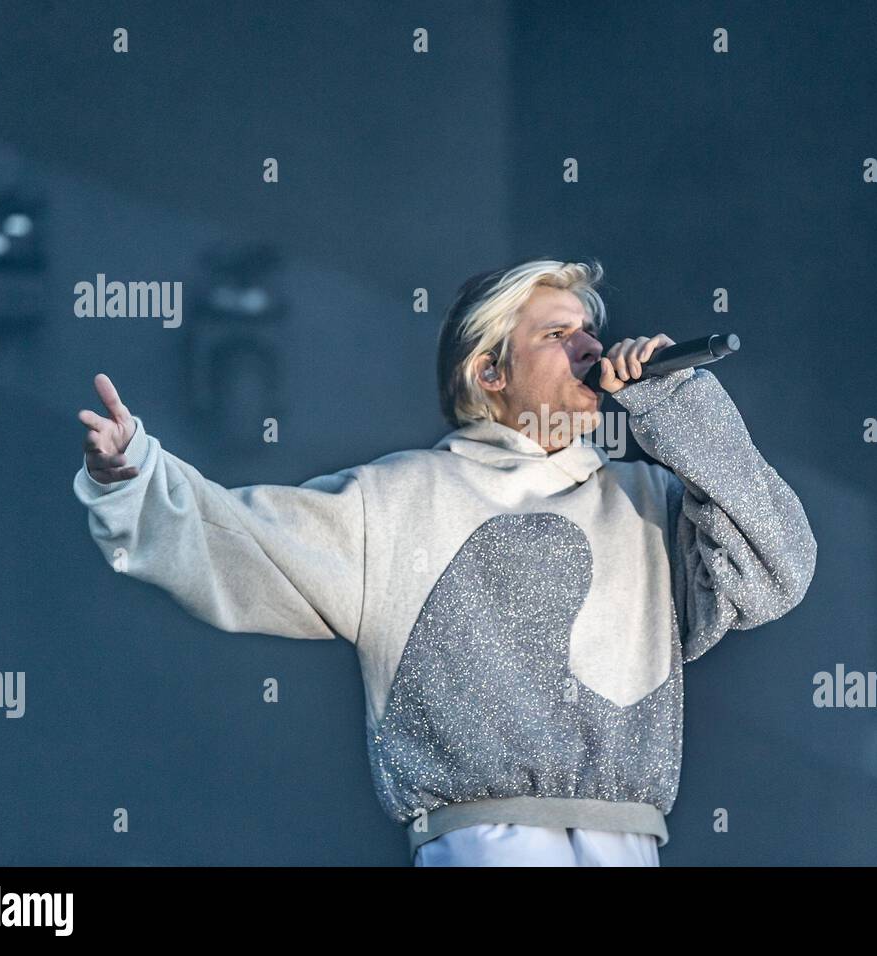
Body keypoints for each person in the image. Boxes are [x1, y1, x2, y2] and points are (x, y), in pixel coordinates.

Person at [73, 257, 817, 866]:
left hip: (630, 840)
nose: (590, 348)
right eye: (558, 334)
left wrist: (677, 401)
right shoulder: (401, 499)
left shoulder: (645, 500)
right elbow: (238, 542)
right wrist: (133, 475)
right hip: (487, 842)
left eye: (591, 331)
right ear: (490, 372)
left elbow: (778, 565)